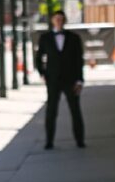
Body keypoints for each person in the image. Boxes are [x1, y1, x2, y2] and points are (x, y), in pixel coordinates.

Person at [34, 10, 86, 149]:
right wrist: (42, 73)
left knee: (75, 110)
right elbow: (38, 58)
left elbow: (79, 60)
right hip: (53, 80)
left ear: (64, 21)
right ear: (52, 20)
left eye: (61, 19)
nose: (59, 21)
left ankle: (80, 140)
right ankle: (49, 141)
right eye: (56, 19)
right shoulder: (45, 38)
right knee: (51, 111)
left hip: (71, 79)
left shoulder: (74, 38)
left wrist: (80, 80)